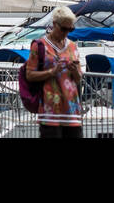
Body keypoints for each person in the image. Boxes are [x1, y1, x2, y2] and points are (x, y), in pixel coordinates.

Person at [25, 7, 83, 138]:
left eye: (70, 29)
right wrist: (52, 72)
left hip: (72, 111)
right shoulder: (39, 45)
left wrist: (75, 71)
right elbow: (29, 75)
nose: (66, 33)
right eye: (63, 29)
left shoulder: (73, 46)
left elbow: (79, 79)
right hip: (50, 111)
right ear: (54, 24)